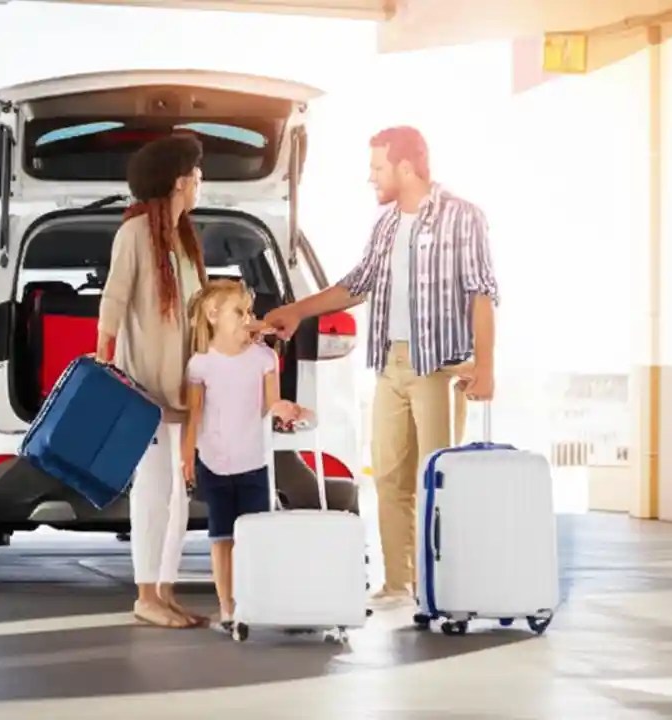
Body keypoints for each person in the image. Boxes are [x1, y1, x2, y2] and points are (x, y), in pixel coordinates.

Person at [260, 126, 499, 610]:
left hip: (436, 365)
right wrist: (296, 311)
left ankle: (444, 583)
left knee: (436, 477)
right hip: (389, 364)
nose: (371, 177)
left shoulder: (463, 217)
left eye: (378, 168)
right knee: (389, 475)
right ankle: (398, 584)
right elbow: (358, 283)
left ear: (406, 167)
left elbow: (483, 293)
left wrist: (487, 366)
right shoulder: (387, 223)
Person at [97, 134, 209, 629]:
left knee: (179, 493)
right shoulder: (136, 232)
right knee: (154, 488)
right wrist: (105, 369)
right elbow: (113, 301)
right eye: (199, 175)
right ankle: (145, 594)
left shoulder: (183, 239)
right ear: (182, 181)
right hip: (143, 387)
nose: (202, 182)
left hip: (182, 387)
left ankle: (164, 590)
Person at [180, 280, 308, 632]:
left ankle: (257, 599)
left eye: (249, 312)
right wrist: (187, 456)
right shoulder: (200, 365)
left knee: (253, 535)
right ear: (213, 315)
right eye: (240, 311)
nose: (248, 318)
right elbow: (195, 413)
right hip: (214, 462)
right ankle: (227, 605)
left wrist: (287, 409)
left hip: (254, 462)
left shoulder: (264, 358)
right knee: (221, 537)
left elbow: (271, 403)